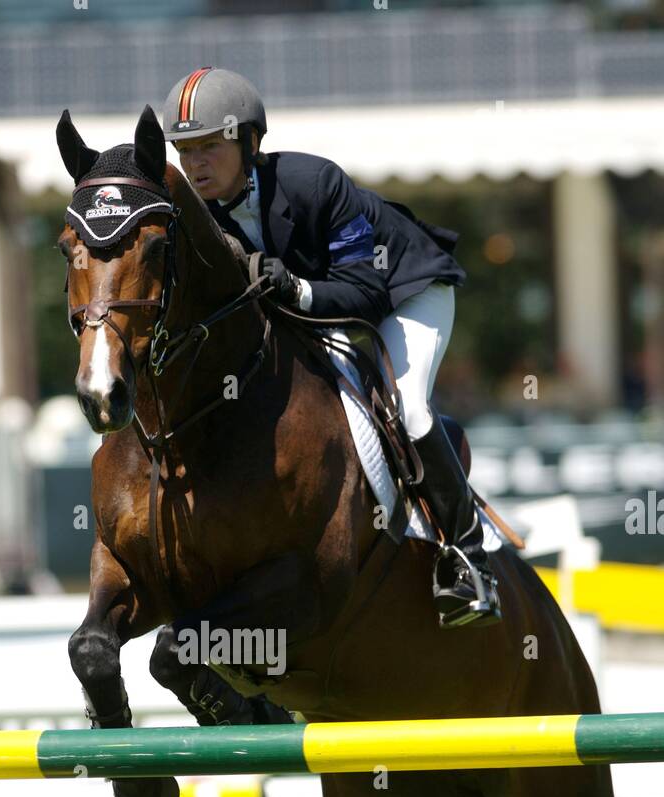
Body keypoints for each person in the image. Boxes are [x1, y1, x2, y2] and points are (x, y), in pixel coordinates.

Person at [162, 66, 501, 628]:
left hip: (404, 290)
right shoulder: (198, 218)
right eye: (184, 150)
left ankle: (467, 560)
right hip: (319, 305)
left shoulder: (314, 183)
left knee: (405, 403)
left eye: (208, 147)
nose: (195, 164)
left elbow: (367, 293)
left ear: (248, 142)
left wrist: (294, 287)